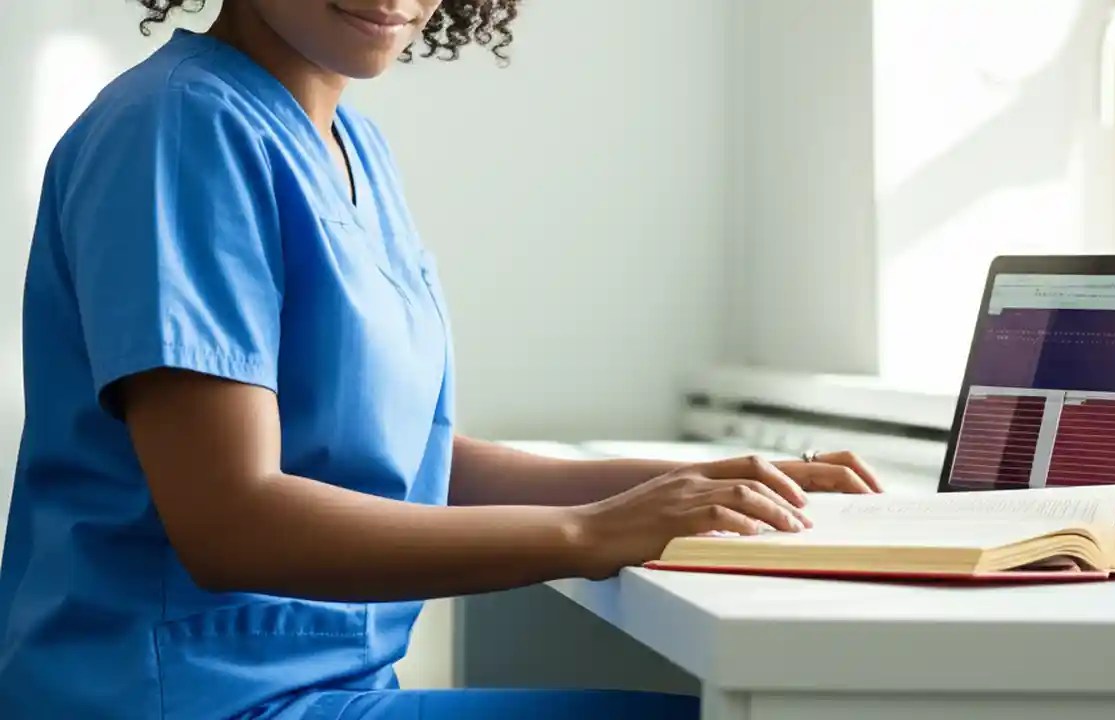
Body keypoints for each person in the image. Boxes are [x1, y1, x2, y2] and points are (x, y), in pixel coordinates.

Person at [0, 1, 881, 718]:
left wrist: (701, 488)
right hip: (180, 701)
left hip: (319, 690)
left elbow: (406, 465)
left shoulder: (352, 147)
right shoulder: (179, 129)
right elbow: (232, 522)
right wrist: (590, 533)